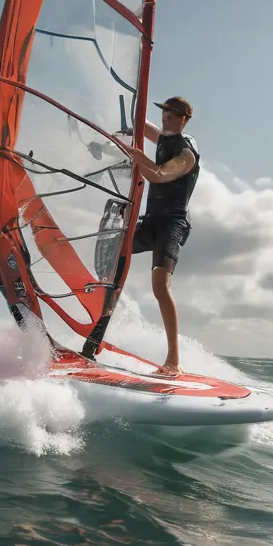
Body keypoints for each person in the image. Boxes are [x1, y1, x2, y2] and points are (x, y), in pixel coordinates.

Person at [121, 95, 199, 376]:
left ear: (184, 119)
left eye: (171, 113)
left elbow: (156, 174)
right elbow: (140, 123)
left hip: (172, 224)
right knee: (113, 254)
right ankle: (95, 326)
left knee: (159, 287)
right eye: (163, 112)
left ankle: (173, 362)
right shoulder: (166, 136)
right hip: (151, 220)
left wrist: (132, 153)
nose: (165, 117)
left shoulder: (187, 154)